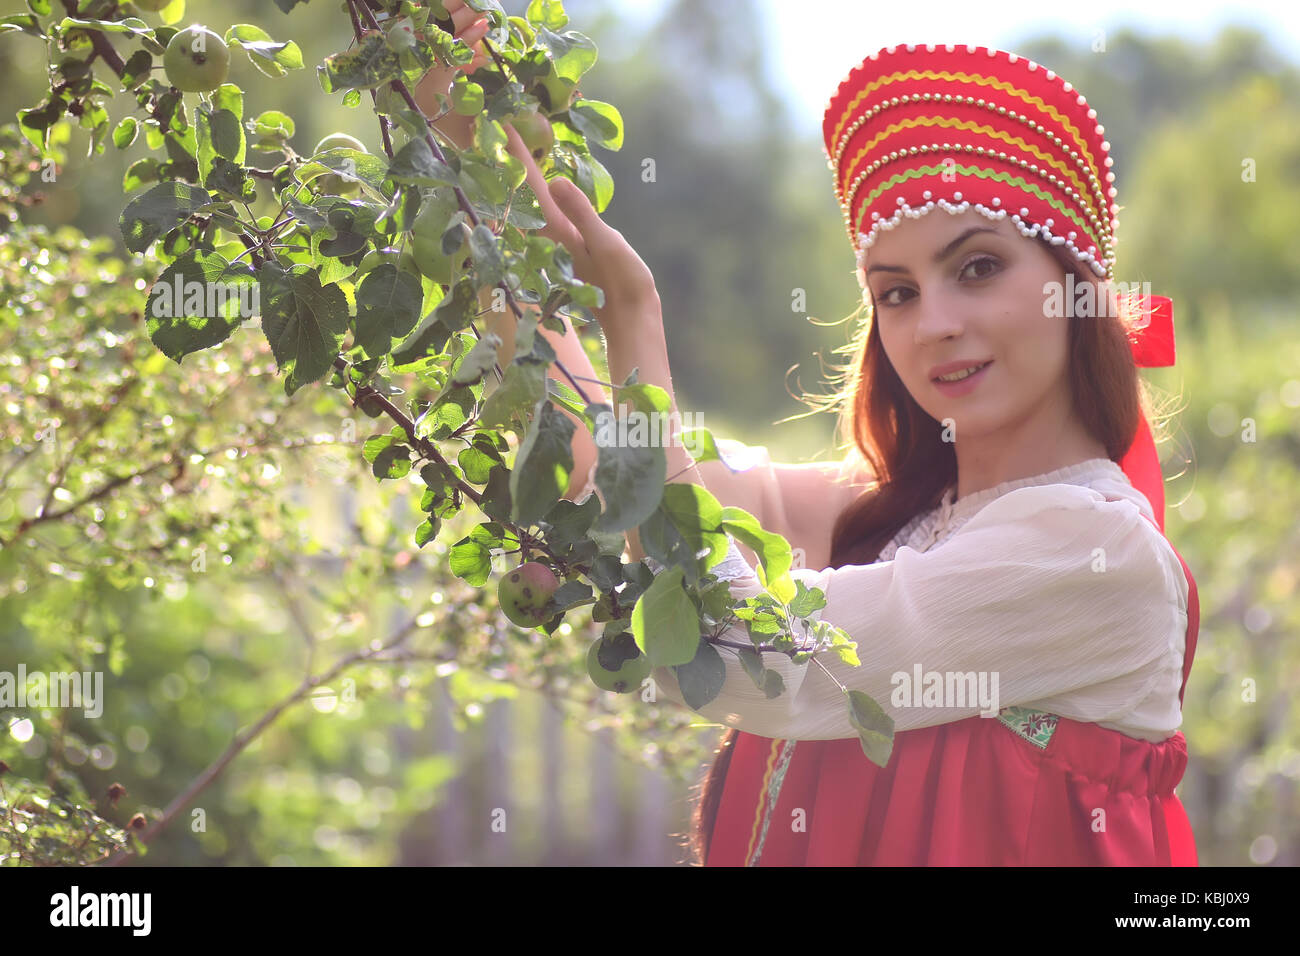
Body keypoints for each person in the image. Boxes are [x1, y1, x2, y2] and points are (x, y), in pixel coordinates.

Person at [419, 33, 1199, 866]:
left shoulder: (1097, 555)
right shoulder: (898, 519)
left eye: (977, 267)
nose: (932, 323)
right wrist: (465, 134)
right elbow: (606, 458)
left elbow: (754, 661)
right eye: (896, 292)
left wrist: (635, 318)